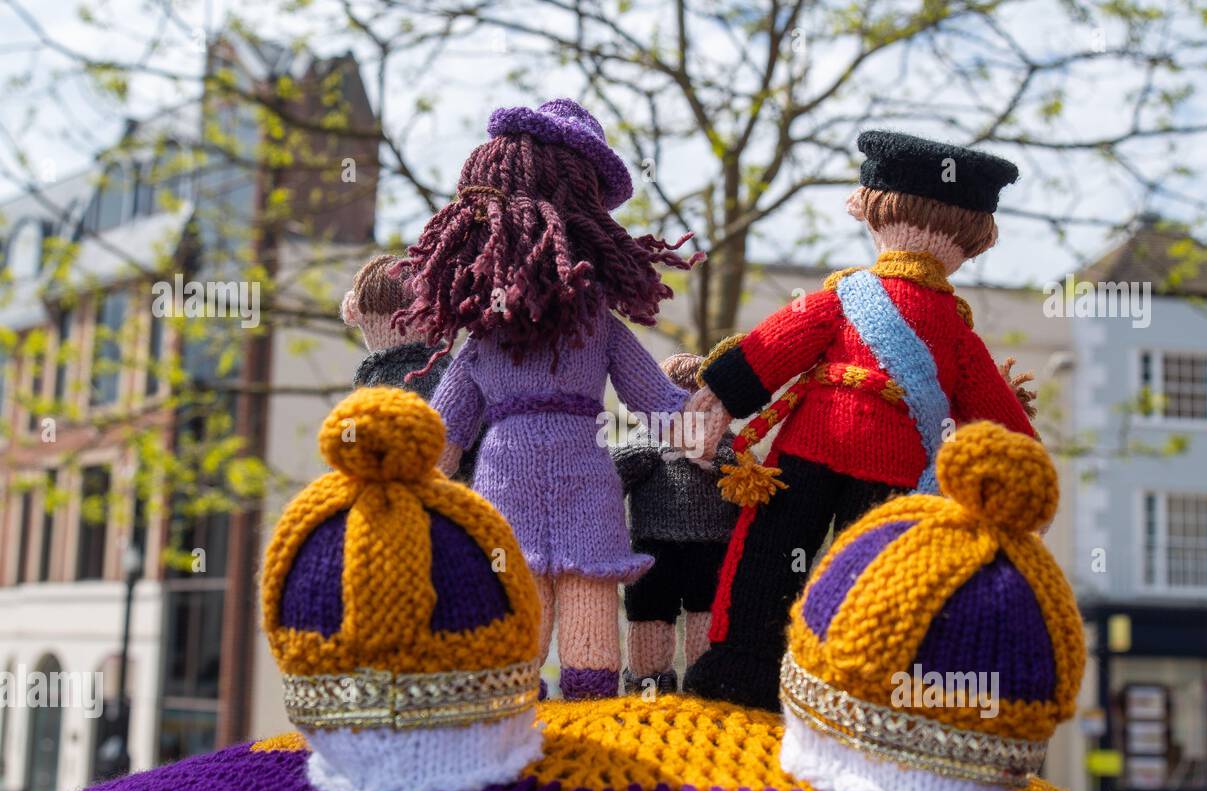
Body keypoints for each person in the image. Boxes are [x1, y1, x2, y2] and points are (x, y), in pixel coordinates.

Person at [683, 130, 1036, 711]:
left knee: (773, 551)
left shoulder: (847, 299)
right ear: (976, 236)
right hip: (890, 471)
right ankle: (850, 680)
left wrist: (718, 396)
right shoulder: (948, 328)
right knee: (867, 574)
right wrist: (1022, 471)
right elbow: (996, 411)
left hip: (811, 450)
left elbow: (777, 343)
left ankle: (746, 663)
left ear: (872, 207)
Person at [398, 98, 701, 700]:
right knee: (571, 605)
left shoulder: (488, 331)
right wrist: (709, 431)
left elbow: (446, 433)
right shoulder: (589, 326)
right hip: (581, 475)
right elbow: (660, 406)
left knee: (526, 605)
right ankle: (572, 720)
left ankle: (528, 716)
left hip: (513, 484)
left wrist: (415, 476)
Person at [612, 353, 738, 695]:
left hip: (714, 546)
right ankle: (648, 679)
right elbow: (613, 475)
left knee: (707, 611)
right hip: (654, 546)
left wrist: (717, 456)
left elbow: (746, 476)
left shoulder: (724, 444)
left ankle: (704, 681)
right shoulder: (648, 440)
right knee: (650, 609)